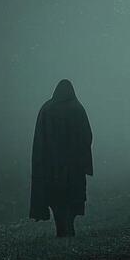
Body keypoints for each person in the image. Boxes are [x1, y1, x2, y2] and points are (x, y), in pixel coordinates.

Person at [29, 78, 94, 237]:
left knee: (56, 200)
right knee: (71, 198)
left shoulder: (46, 109)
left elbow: (39, 140)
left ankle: (61, 229)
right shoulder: (77, 109)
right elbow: (87, 137)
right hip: (73, 167)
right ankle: (68, 227)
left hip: (50, 167)